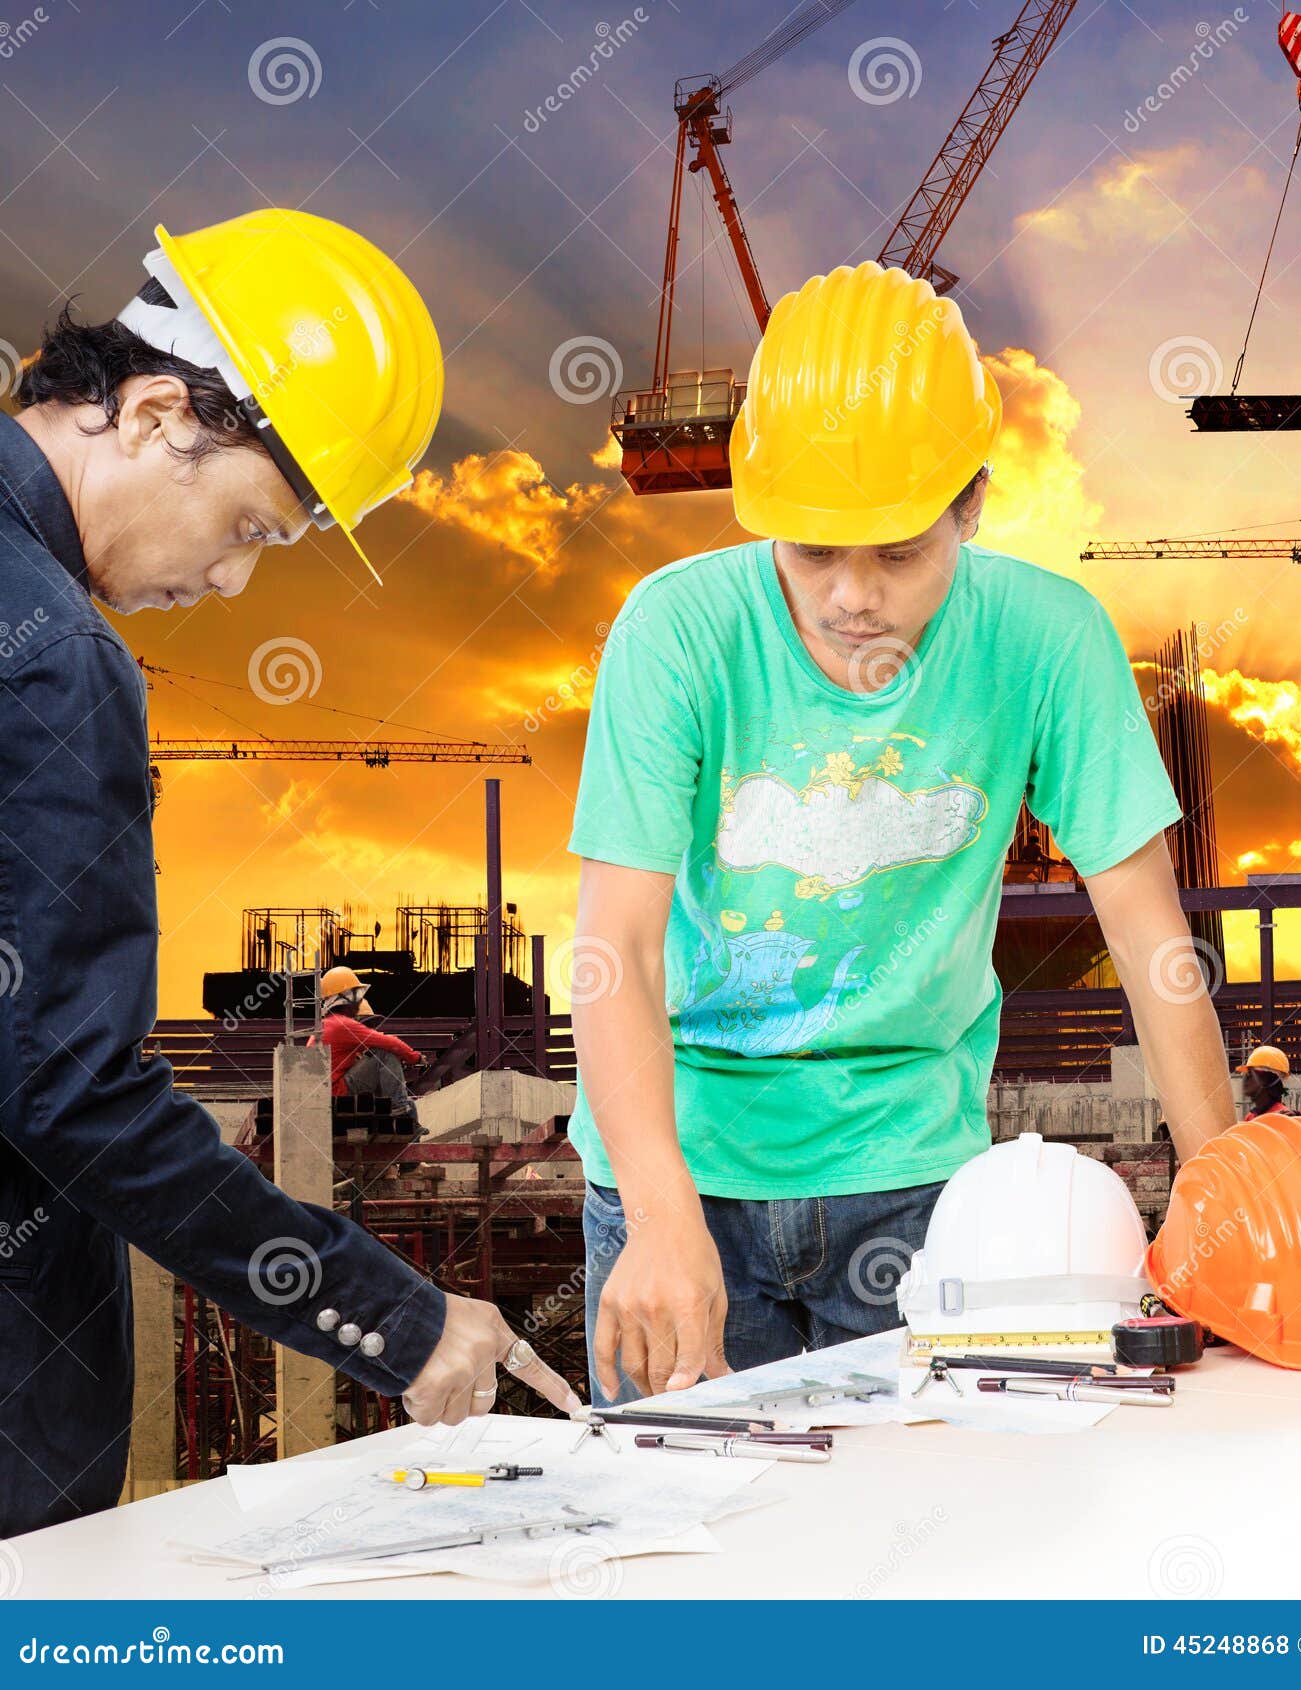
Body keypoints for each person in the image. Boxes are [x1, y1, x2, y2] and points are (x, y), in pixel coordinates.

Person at [567, 261, 1237, 1406]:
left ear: (970, 505)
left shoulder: (1046, 642)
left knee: (923, 1544)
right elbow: (612, 947)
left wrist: (1223, 1205)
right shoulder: (673, 633)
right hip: (673, 1163)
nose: (847, 598)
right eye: (811, 549)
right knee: (685, 1551)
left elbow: (1145, 939)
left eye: (895, 551)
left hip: (916, 1182)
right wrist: (660, 1212)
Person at [0, 210, 576, 1538]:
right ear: (151, 413)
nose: (231, 582)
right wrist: (399, 1316)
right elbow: (67, 1087)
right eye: (251, 525)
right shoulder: (49, 660)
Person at [313, 965, 427, 1129]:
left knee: (410, 1104)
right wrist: (415, 1057)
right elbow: (390, 1043)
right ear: (347, 998)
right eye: (357, 997)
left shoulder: (329, 1025)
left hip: (328, 1091)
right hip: (335, 1092)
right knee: (383, 1053)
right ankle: (401, 1109)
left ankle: (404, 1110)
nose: (359, 1003)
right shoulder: (342, 1025)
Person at [1236, 1044, 1293, 1118]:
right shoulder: (1251, 1117)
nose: (1245, 1079)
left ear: (1268, 1079)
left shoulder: (1282, 1117)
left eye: (1250, 1074)